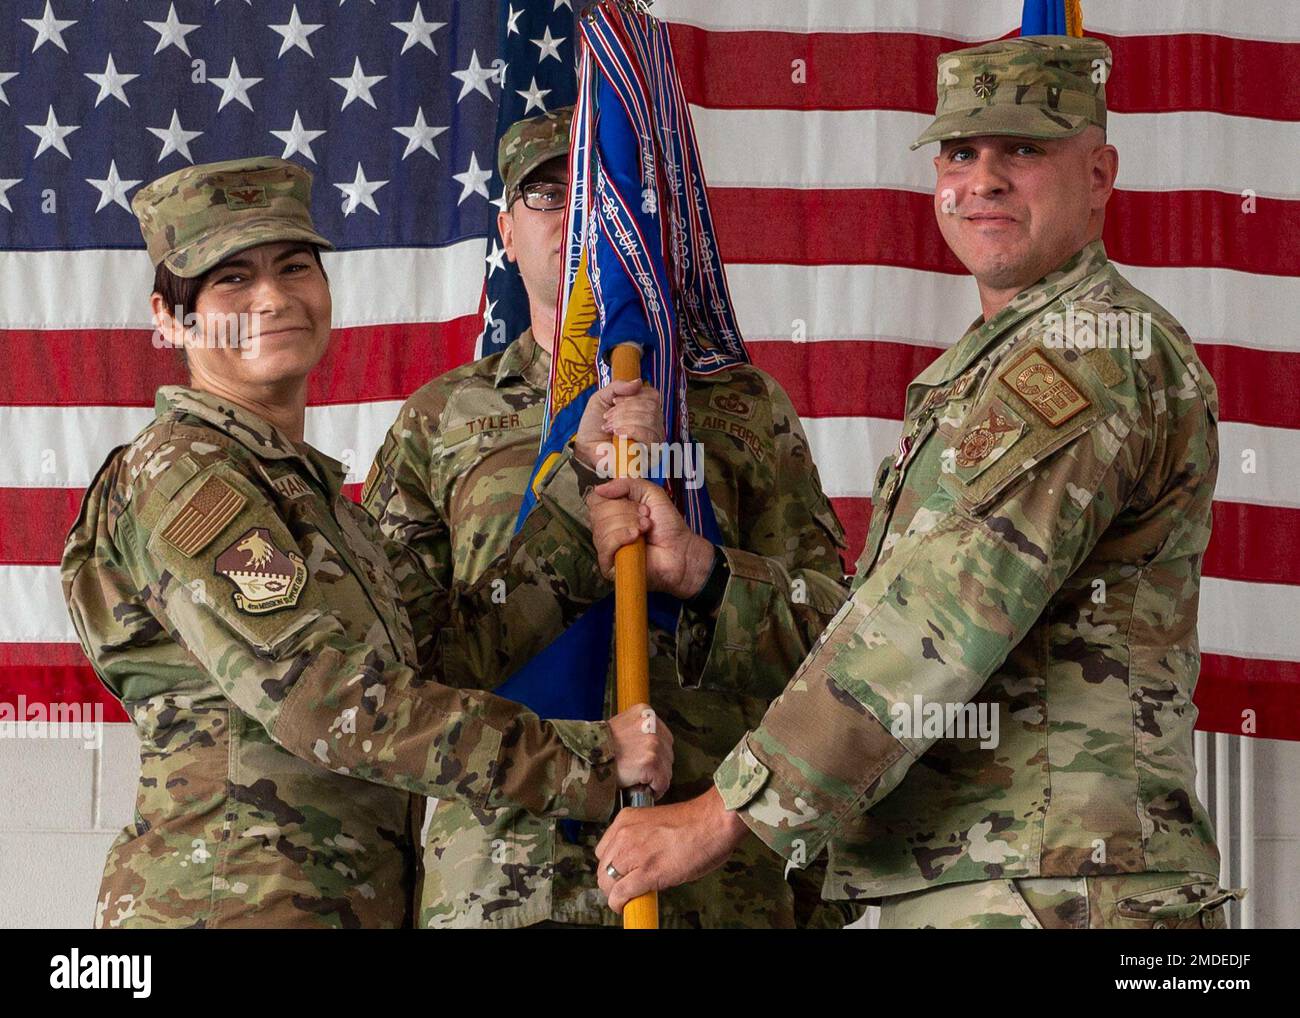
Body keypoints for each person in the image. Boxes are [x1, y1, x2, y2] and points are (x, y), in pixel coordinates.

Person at [587, 36, 1245, 929]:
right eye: (962, 152)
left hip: (1059, 892)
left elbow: (937, 620)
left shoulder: (1091, 353)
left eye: (1024, 149)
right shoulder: (990, 368)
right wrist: (707, 575)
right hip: (993, 880)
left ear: (1099, 174)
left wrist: (720, 815)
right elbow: (887, 615)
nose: (985, 179)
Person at [61, 157, 671, 928]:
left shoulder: (320, 507)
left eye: (294, 267)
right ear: (170, 318)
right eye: (232, 281)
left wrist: (580, 485)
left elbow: (434, 672)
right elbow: (324, 700)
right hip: (230, 907)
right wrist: (583, 760)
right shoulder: (185, 473)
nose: (274, 298)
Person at [363, 107, 852, 928]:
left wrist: (708, 578)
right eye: (548, 196)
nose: (579, 217)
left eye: (606, 196)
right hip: (498, 879)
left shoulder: (741, 411)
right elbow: (393, 668)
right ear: (506, 233)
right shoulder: (440, 420)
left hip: (714, 879)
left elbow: (842, 645)